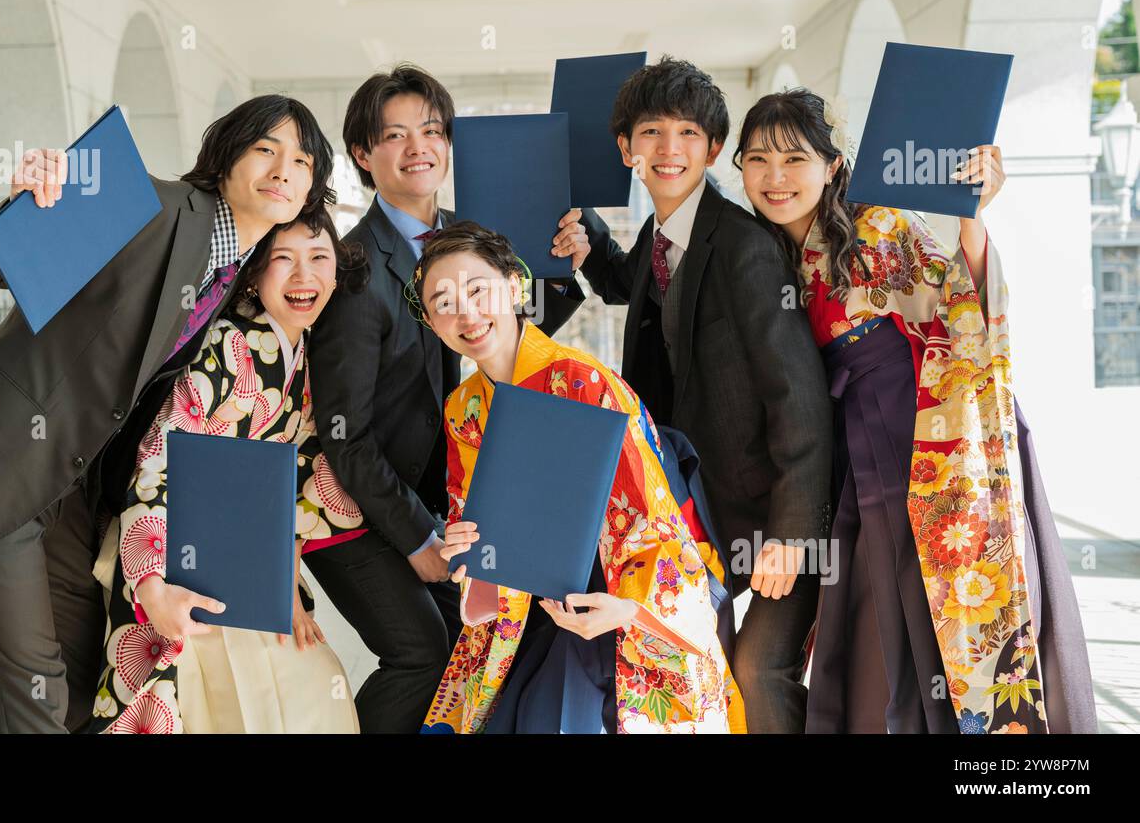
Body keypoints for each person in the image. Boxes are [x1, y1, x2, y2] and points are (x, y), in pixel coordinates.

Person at [0, 94, 334, 732]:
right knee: (32, 708)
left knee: (91, 688)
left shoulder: (240, 276)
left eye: (303, 160)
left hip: (72, 498)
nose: (284, 168)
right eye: (266, 149)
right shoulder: (149, 204)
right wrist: (29, 199)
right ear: (226, 156)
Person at [736, 86, 1096, 734]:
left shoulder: (878, 228)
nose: (776, 177)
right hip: (851, 467)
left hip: (932, 449)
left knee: (953, 630)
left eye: (795, 158)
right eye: (758, 159)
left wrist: (972, 218)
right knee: (876, 653)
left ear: (833, 165)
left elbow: (962, 300)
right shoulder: (761, 257)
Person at [305, 64, 591, 732]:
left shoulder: (469, 234)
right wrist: (415, 538)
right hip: (357, 506)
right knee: (425, 656)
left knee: (479, 650)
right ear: (360, 155)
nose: (418, 148)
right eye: (395, 135)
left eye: (431, 131)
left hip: (448, 497)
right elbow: (344, 433)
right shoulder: (351, 270)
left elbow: (510, 328)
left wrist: (566, 265)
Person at [578, 57, 832, 732]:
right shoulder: (660, 237)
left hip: (768, 513)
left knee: (759, 669)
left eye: (689, 133)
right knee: (695, 664)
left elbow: (797, 393)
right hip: (694, 514)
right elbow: (638, 286)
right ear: (626, 148)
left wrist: (792, 534)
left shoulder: (743, 246)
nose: (670, 150)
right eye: (652, 132)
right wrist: (591, 243)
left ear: (714, 149)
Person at [414, 221, 745, 733]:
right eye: (444, 302)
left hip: (614, 591)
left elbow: (652, 516)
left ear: (513, 286)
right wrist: (466, 554)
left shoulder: (583, 382)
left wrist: (626, 610)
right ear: (432, 323)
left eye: (478, 290)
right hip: (525, 608)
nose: (467, 313)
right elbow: (476, 532)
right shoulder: (463, 409)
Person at [88, 207, 366, 733]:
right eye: (283, 259)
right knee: (201, 703)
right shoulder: (224, 344)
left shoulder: (306, 350)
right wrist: (152, 590)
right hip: (171, 549)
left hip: (251, 563)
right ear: (256, 272)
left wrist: (285, 593)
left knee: (307, 685)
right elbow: (156, 458)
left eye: (319, 258)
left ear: (337, 271)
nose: (303, 276)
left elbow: (299, 477)